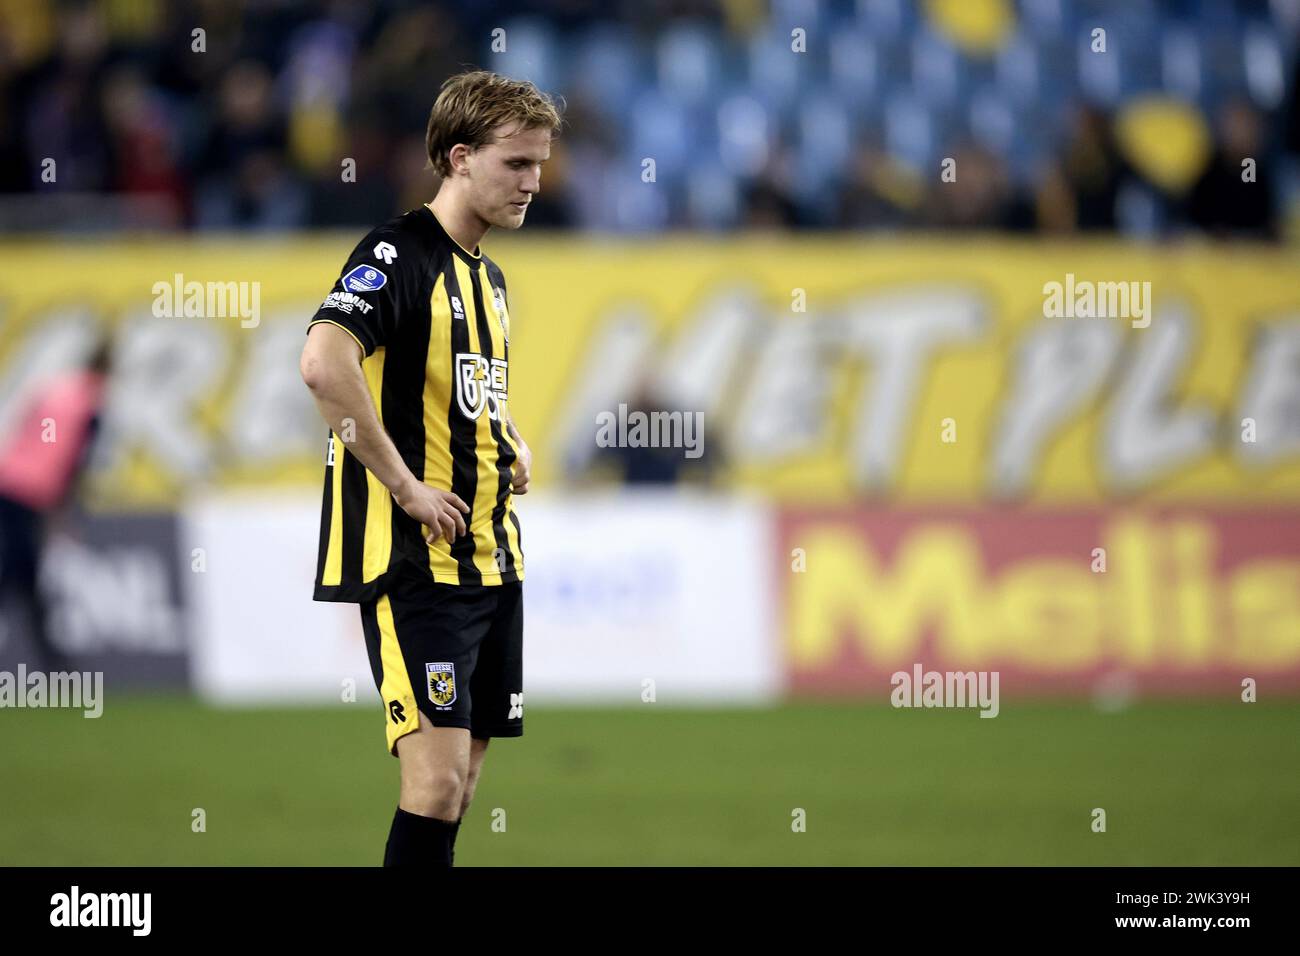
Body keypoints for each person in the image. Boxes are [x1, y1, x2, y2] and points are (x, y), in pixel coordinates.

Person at [299, 70, 561, 867]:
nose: (534, 182)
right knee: (436, 782)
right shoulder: (398, 253)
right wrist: (405, 486)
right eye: (516, 163)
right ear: (459, 158)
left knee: (462, 783)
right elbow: (324, 363)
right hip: (416, 563)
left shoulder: (489, 276)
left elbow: (461, 394)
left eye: (539, 164)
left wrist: (508, 440)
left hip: (491, 558)